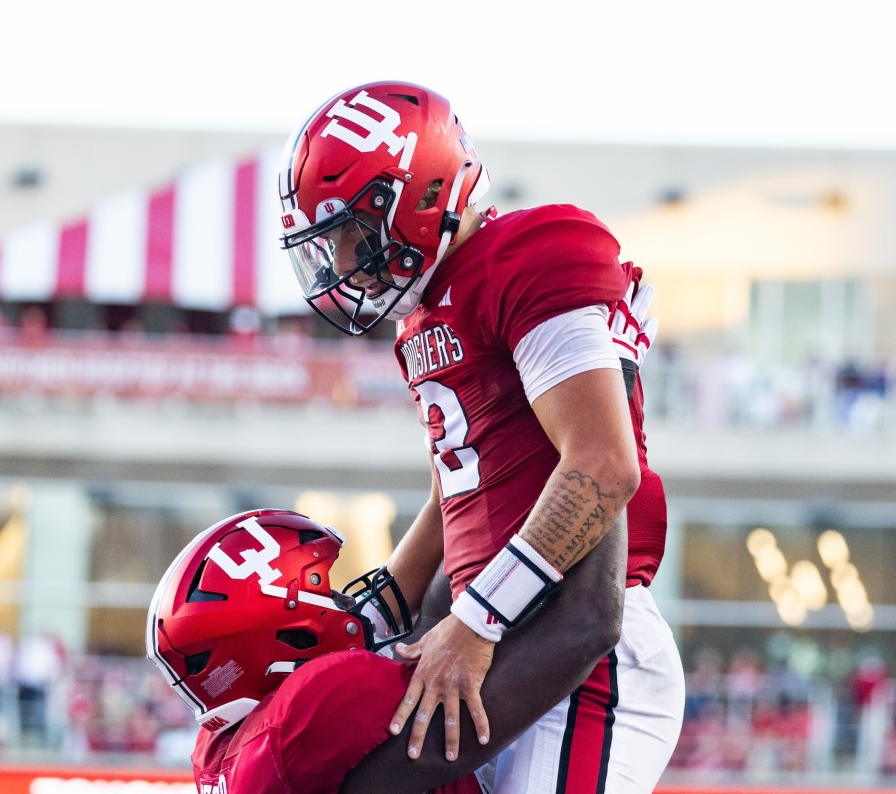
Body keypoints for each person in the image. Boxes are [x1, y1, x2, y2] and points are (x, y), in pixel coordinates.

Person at [279, 81, 684, 792]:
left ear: (414, 197)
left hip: (573, 653)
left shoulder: (527, 251)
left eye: (351, 235)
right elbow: (457, 493)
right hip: (487, 647)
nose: (342, 265)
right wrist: (361, 622)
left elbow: (603, 467)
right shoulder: (426, 317)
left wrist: (474, 622)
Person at [147, 508, 628, 794]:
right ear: (283, 635)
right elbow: (584, 627)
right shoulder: (315, 704)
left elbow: (404, 611)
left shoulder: (219, 747)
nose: (344, 601)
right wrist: (598, 464)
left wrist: (459, 464)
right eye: (324, 589)